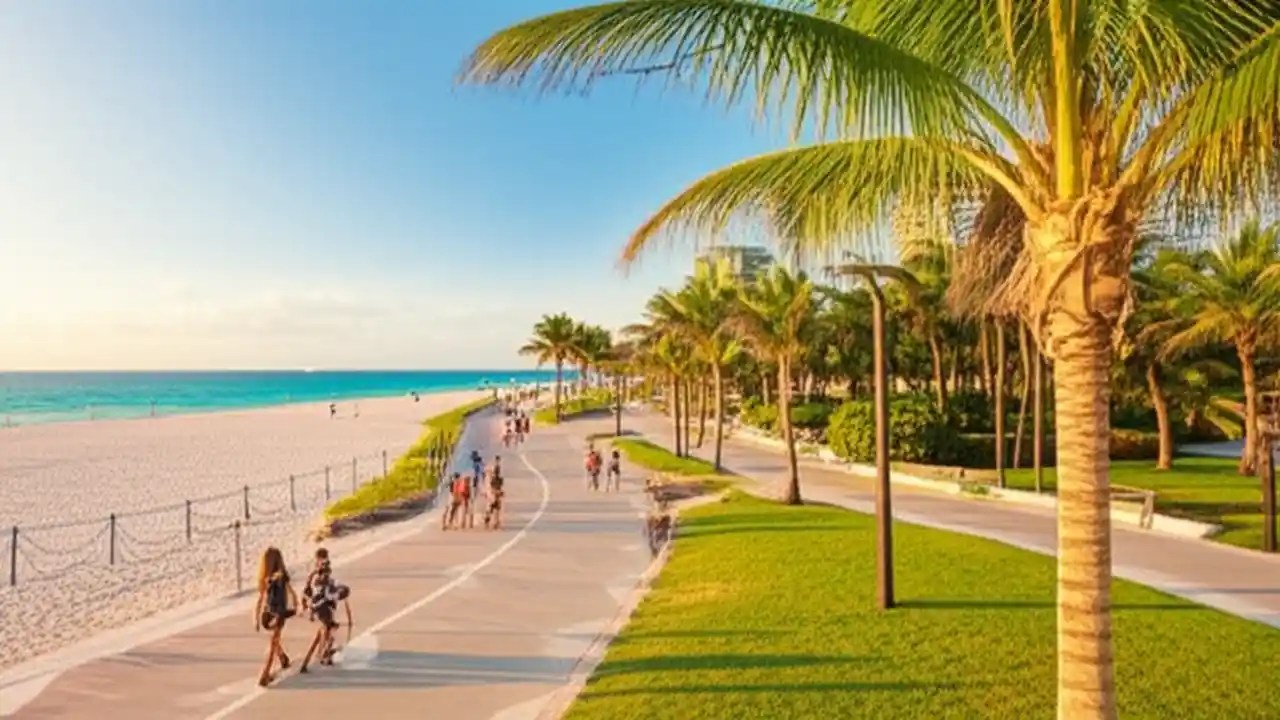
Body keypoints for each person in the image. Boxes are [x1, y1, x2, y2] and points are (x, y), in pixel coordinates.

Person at [300, 548, 353, 672]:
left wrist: (306, 604)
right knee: (329, 627)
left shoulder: (315, 574)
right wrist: (339, 593)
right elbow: (325, 591)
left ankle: (325, 651)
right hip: (322, 606)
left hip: (318, 606)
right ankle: (324, 653)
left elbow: (308, 591)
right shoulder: (320, 574)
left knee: (328, 628)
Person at [254, 547, 298, 687]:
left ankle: (281, 659)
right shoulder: (282, 577)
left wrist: (256, 617)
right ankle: (267, 672)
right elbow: (292, 593)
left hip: (267, 614)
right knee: (274, 640)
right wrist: (297, 605)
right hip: (279, 612)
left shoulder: (264, 578)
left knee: (273, 639)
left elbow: (260, 598)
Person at [484, 461, 505, 529]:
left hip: (496, 496)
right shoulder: (493, 479)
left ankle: (495, 523)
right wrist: (497, 492)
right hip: (493, 496)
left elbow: (499, 487)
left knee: (496, 509)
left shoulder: (499, 479)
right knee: (491, 509)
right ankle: (488, 521)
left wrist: (500, 492)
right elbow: (492, 488)